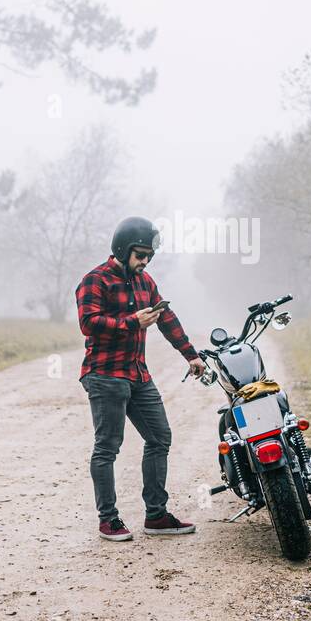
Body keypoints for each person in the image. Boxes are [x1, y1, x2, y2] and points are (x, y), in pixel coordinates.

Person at [76, 216, 207, 541]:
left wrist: (190, 354)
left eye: (149, 255)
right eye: (140, 254)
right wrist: (131, 322)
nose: (145, 261)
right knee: (107, 447)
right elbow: (89, 323)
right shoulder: (95, 280)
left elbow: (167, 318)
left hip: (137, 374)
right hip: (105, 375)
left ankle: (156, 516)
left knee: (160, 437)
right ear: (122, 249)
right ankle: (109, 520)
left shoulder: (145, 282)